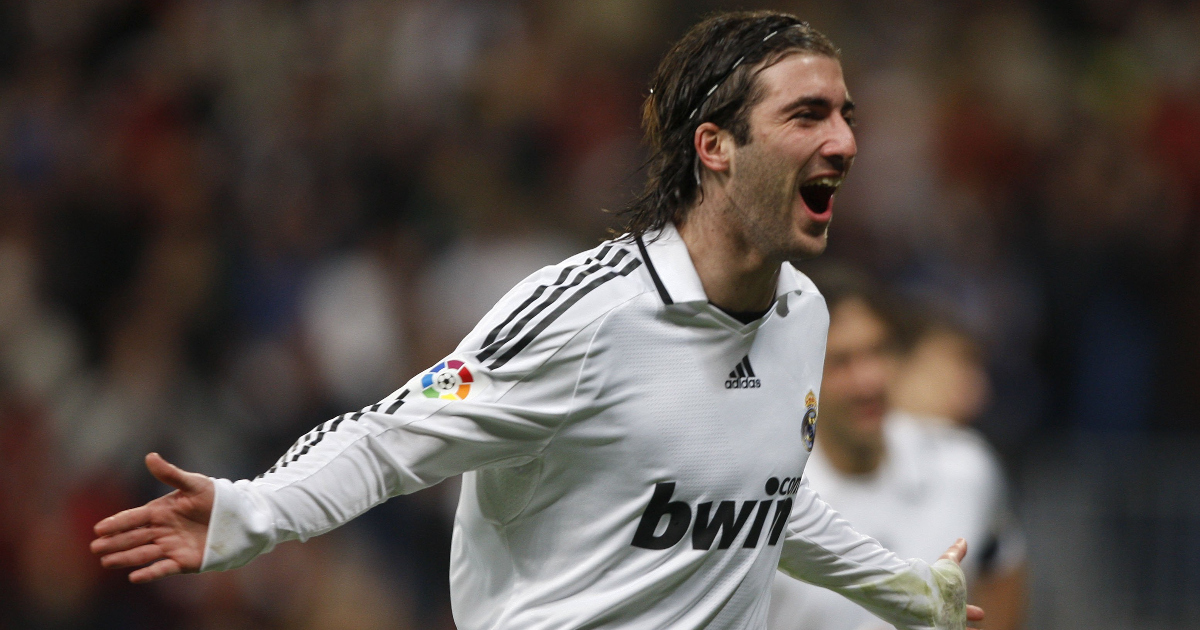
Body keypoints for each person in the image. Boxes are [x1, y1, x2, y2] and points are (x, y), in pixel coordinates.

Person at [91, 11, 985, 630]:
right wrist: (252, 511)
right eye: (808, 115)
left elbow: (761, 499)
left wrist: (907, 590)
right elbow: (393, 436)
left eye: (846, 116)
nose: (846, 142)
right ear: (714, 146)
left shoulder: (803, 313)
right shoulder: (591, 317)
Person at [768, 268, 1026, 630]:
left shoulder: (964, 466)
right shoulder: (772, 494)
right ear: (804, 374)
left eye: (878, 351)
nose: (868, 381)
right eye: (842, 361)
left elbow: (1002, 569)